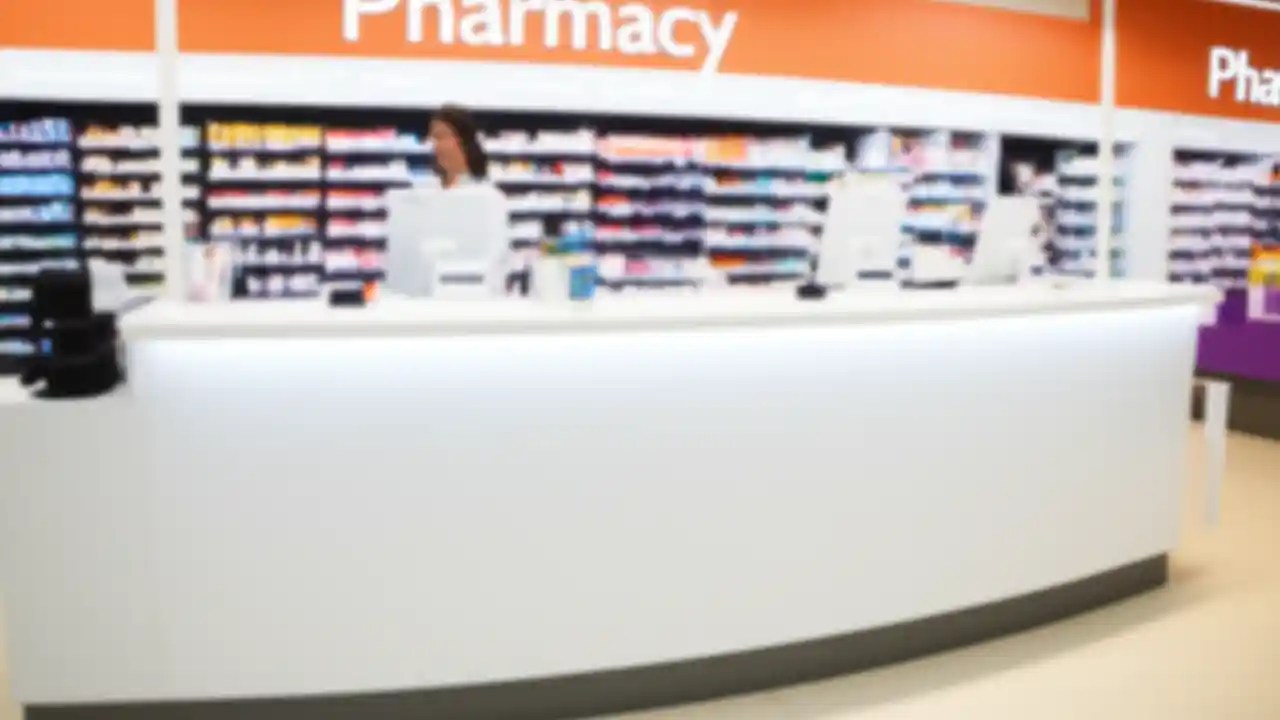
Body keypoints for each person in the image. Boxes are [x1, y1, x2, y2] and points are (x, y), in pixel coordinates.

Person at [429, 105, 488, 189]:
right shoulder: (430, 187)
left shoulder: (481, 189)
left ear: (460, 139)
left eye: (440, 137)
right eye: (433, 139)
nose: (434, 145)